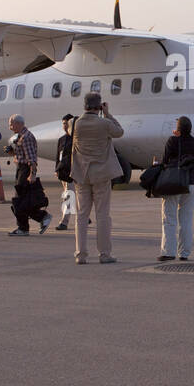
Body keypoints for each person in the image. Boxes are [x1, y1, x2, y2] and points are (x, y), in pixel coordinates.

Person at [71, 92, 124, 264]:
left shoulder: (75, 123)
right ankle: (104, 254)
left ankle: (80, 254)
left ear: (84, 105)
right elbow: (120, 132)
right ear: (99, 106)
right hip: (101, 174)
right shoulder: (105, 123)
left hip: (81, 174)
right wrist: (108, 114)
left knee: (81, 215)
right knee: (102, 215)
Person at [158, 116, 194, 261]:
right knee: (186, 220)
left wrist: (175, 136)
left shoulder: (172, 141)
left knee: (169, 218)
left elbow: (165, 160)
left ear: (178, 128)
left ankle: (168, 252)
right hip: (191, 182)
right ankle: (184, 253)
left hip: (174, 182)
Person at [6, 114, 51, 236]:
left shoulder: (26, 137)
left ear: (19, 124)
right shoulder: (19, 137)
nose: (10, 127)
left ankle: (36, 220)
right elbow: (22, 154)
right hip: (20, 169)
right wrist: (12, 151)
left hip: (25, 170)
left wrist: (32, 174)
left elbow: (32, 159)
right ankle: (28, 225)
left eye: (11, 124)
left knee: (19, 201)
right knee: (23, 201)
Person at [53, 114, 76, 230]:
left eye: (66, 123)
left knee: (68, 197)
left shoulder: (76, 139)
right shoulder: (61, 139)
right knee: (72, 196)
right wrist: (56, 169)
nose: (64, 126)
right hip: (62, 173)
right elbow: (58, 156)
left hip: (72, 174)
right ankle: (84, 217)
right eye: (63, 123)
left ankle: (64, 222)